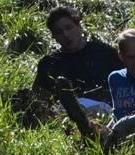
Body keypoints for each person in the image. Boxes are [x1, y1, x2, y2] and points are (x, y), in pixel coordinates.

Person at [34, 6, 123, 137]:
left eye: (69, 28)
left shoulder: (104, 53)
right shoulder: (49, 64)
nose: (66, 35)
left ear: (79, 27)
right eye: (59, 32)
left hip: (104, 112)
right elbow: (40, 100)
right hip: (66, 118)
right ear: (54, 36)